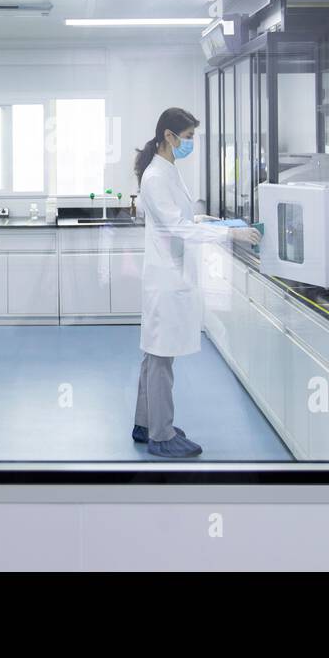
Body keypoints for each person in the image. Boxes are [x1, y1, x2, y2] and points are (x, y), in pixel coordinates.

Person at [132, 107, 260, 459]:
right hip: (166, 279)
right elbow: (178, 227)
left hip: (171, 274)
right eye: (187, 138)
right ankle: (161, 434)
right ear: (169, 137)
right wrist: (229, 234)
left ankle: (145, 423)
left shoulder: (167, 170)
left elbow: (181, 216)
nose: (190, 144)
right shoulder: (156, 177)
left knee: (155, 355)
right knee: (160, 357)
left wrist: (211, 220)